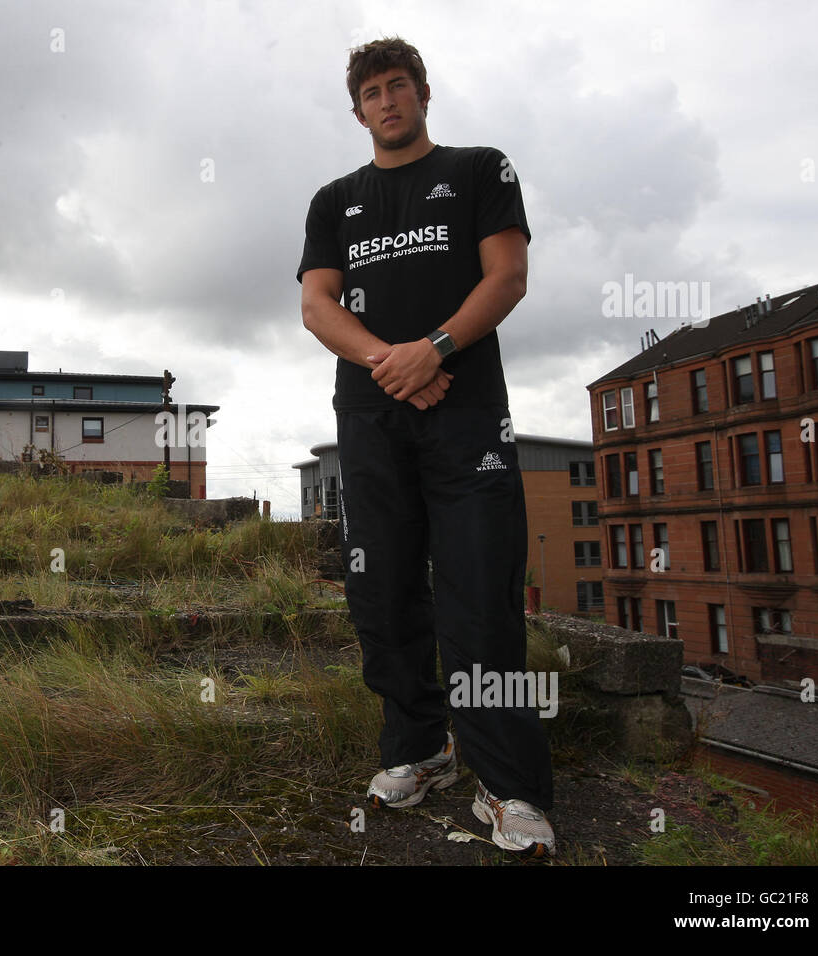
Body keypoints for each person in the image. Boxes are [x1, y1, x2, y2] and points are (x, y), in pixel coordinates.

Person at [296, 36, 555, 857]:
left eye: (398, 85)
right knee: (383, 594)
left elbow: (506, 277)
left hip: (468, 415)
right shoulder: (335, 200)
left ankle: (510, 786)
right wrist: (392, 361)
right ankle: (418, 747)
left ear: (423, 92)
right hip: (372, 420)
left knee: (482, 596)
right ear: (357, 109)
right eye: (371, 91)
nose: (386, 100)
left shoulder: (482, 170)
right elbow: (316, 306)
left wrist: (434, 349)